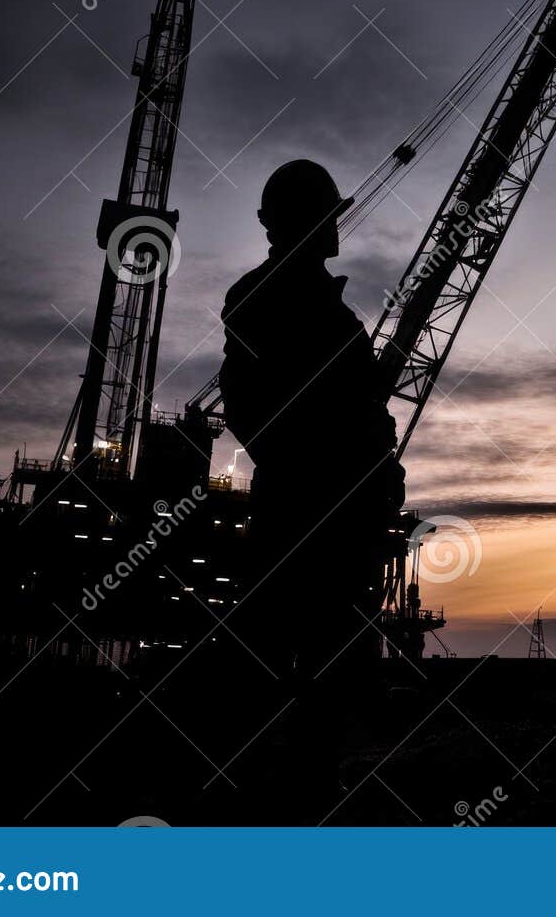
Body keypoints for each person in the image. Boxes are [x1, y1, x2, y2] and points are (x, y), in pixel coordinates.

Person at [219, 160, 403, 799]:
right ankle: (280, 801)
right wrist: (329, 468)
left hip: (333, 512)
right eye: (329, 217)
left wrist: (376, 471)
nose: (337, 228)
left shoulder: (318, 310)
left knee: (320, 675)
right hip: (311, 515)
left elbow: (361, 411)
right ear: (308, 221)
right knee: (299, 665)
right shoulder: (276, 303)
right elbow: (256, 409)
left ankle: (293, 794)